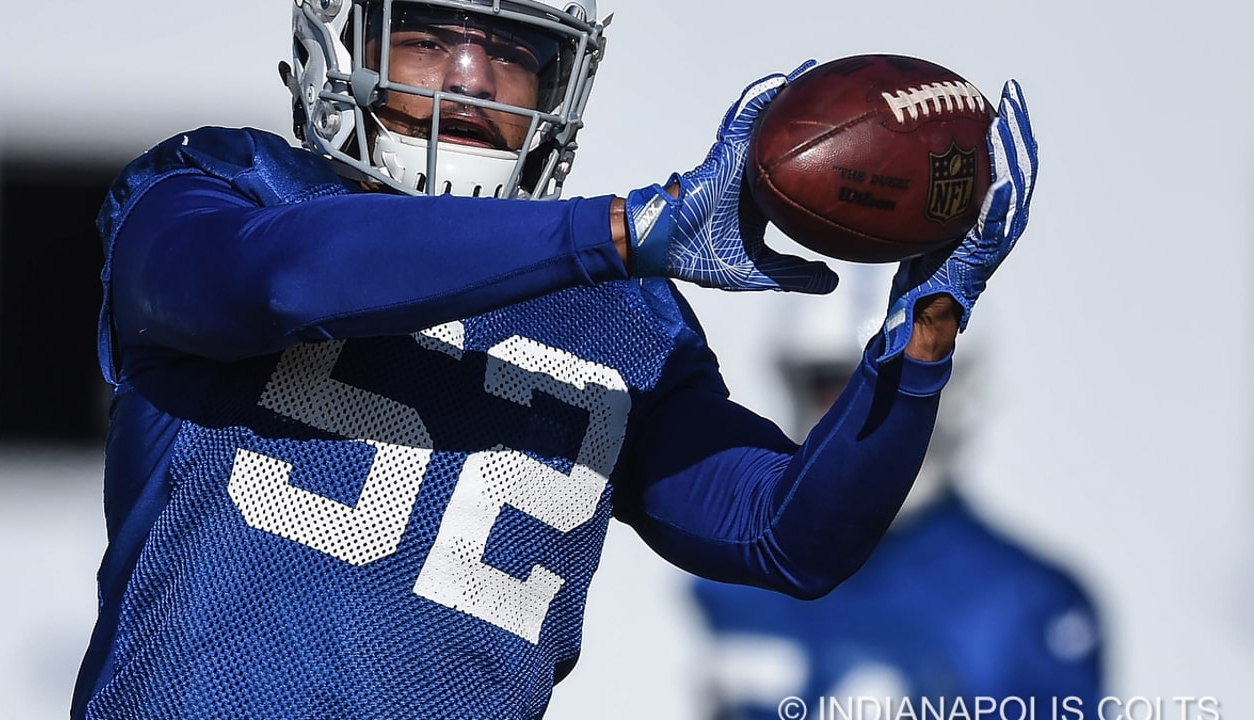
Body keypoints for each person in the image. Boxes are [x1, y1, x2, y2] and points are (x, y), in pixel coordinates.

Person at [70, 1, 1037, 718]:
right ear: (340, 42)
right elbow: (274, 283)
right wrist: (615, 231)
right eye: (428, 34)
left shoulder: (620, 309)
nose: (473, 78)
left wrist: (921, 342)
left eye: (513, 52)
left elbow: (786, 536)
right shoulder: (220, 191)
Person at [690, 266, 1103, 720]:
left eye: (888, 390)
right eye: (835, 392)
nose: (855, 423)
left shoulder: (1026, 602)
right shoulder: (735, 577)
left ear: (954, 391)